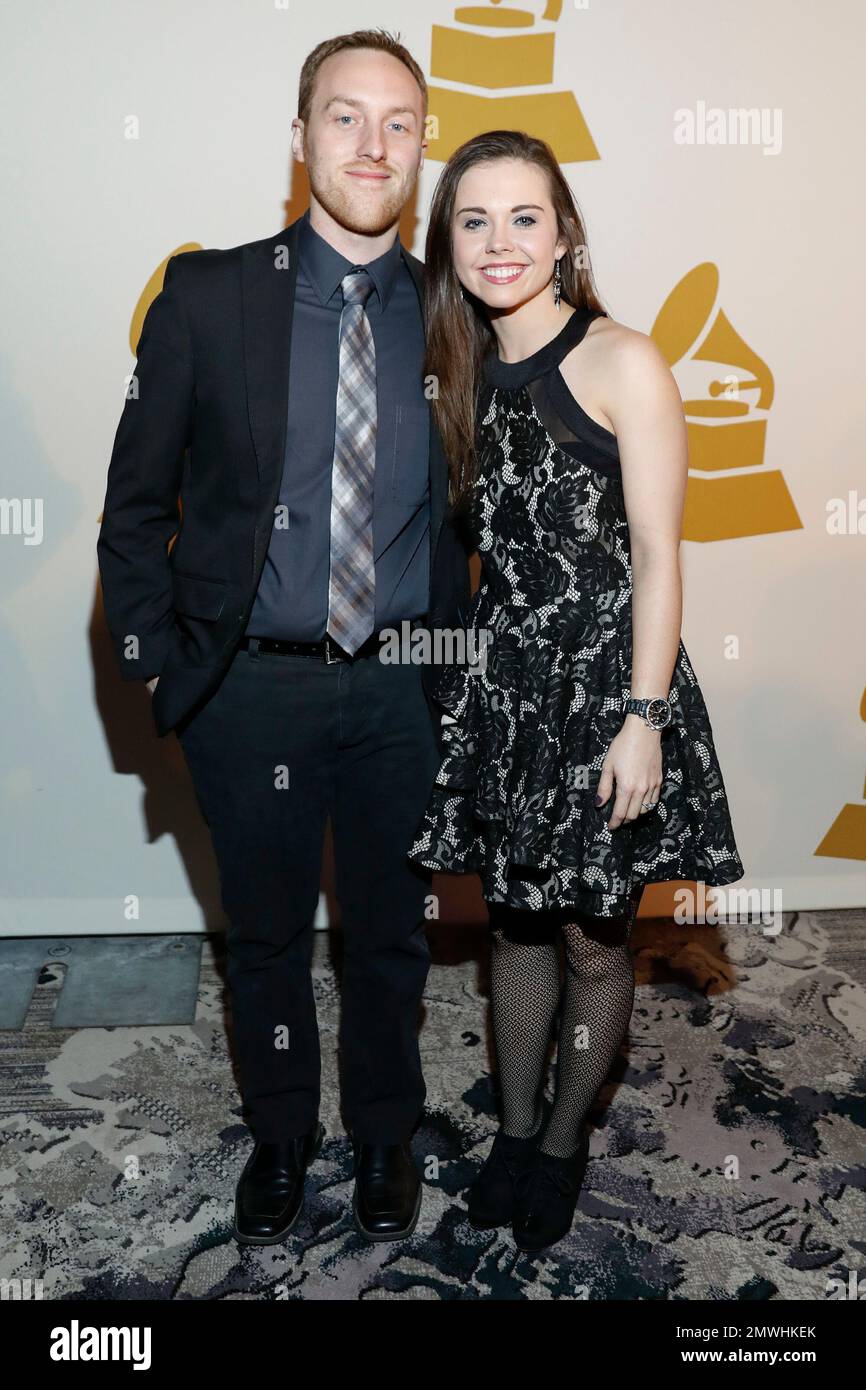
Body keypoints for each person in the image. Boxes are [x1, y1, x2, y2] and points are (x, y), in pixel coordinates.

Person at [97, 29, 471, 1246]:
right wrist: (173, 678)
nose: (372, 143)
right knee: (260, 936)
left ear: (422, 148)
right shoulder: (208, 297)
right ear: (300, 138)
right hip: (248, 688)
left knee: (390, 938)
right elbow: (134, 512)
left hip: (403, 690)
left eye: (399, 123)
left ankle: (378, 1131)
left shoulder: (458, 313)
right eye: (345, 117)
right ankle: (279, 1133)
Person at [408, 130, 745, 1254]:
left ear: (563, 234)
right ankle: (512, 1133)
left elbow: (658, 554)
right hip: (509, 689)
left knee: (597, 938)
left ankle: (560, 1144)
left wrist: (640, 721)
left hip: (606, 690)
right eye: (473, 219)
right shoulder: (452, 365)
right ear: (447, 240)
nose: (499, 242)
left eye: (523, 217)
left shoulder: (620, 360)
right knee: (511, 926)